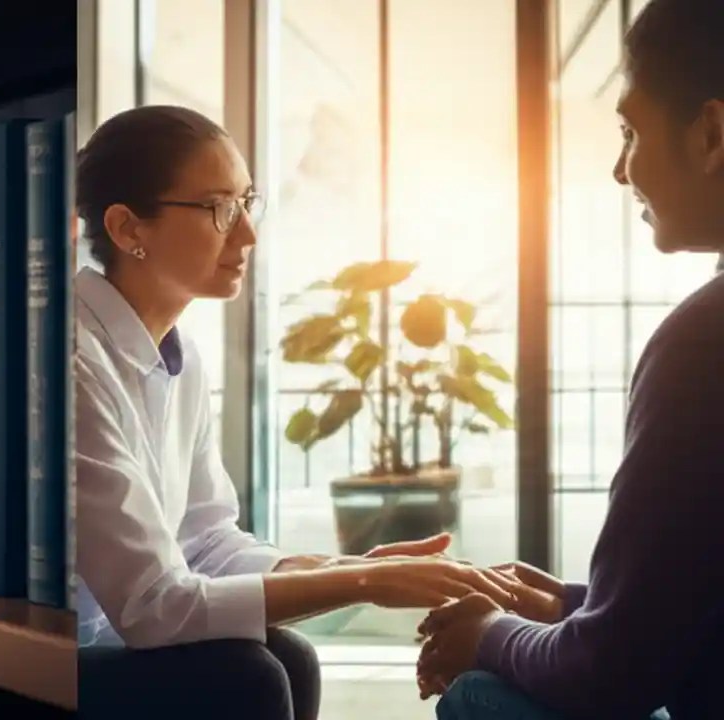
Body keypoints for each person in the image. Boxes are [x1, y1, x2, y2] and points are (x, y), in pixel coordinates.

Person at [72, 103, 537, 720]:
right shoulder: (77, 361)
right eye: (219, 209)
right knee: (248, 675)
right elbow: (154, 607)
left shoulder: (177, 358)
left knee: (287, 655)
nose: (247, 236)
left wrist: (351, 566)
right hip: (59, 652)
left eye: (246, 203)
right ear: (129, 229)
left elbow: (207, 543)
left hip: (117, 642)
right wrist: (364, 584)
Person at [416, 1, 724, 718]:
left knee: (477, 696)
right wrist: (568, 604)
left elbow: (611, 680)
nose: (621, 171)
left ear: (712, 133)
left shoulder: (703, 344)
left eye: (629, 131)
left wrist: (492, 633)